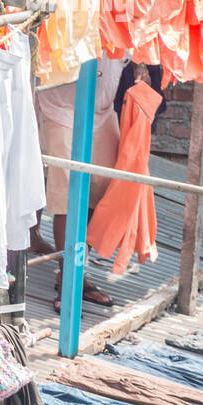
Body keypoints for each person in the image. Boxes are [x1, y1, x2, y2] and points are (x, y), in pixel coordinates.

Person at [31, 56, 126, 311]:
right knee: (69, 195)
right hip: (61, 108)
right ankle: (70, 279)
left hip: (102, 110)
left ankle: (74, 270)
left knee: (108, 192)